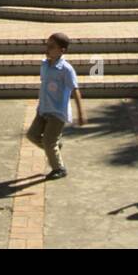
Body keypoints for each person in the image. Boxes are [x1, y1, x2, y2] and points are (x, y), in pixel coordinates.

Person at [25, 32, 85, 179]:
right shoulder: (44, 64)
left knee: (48, 141)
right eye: (47, 45)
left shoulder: (66, 69)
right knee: (32, 135)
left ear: (61, 50)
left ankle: (59, 168)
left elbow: (75, 89)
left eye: (52, 47)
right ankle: (54, 147)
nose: (47, 49)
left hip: (57, 113)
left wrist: (81, 113)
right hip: (43, 109)